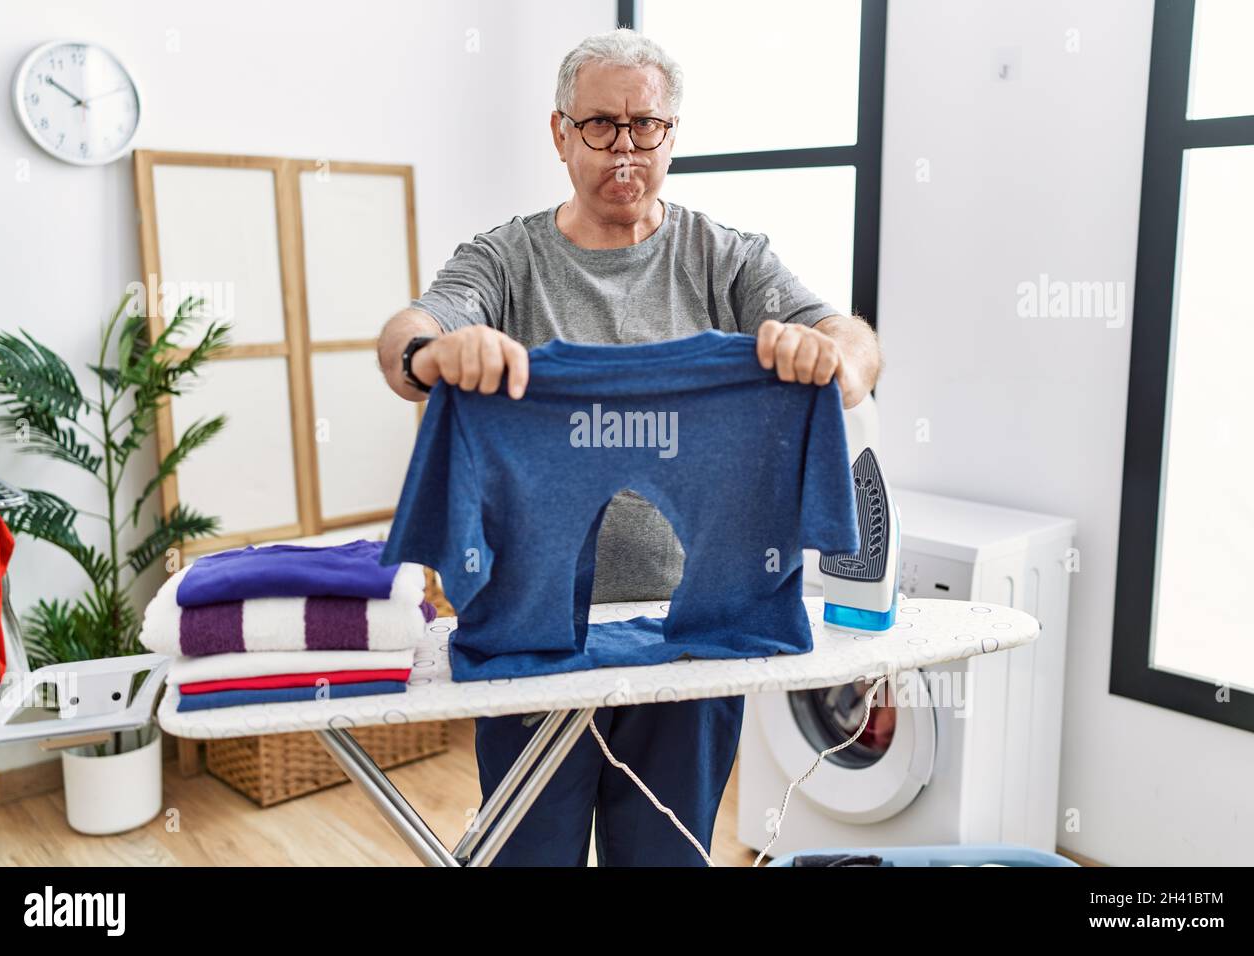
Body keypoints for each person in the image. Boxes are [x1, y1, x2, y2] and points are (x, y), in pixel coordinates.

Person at [376, 27, 882, 866]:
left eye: (645, 125)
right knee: (529, 854)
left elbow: (854, 339)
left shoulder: (728, 259)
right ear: (560, 133)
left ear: (672, 133)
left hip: (697, 631)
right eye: (601, 125)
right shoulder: (504, 261)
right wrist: (430, 354)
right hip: (527, 634)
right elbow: (412, 331)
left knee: (665, 856)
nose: (624, 147)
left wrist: (837, 364)